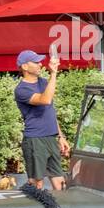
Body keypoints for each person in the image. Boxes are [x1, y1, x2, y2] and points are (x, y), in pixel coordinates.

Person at [14, 50, 71, 190]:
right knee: (36, 184)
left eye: (40, 61)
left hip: (51, 139)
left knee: (60, 183)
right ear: (25, 67)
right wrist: (54, 73)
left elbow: (50, 111)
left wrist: (60, 136)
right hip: (35, 141)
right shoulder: (21, 90)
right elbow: (45, 100)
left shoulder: (44, 82)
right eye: (36, 62)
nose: (40, 64)